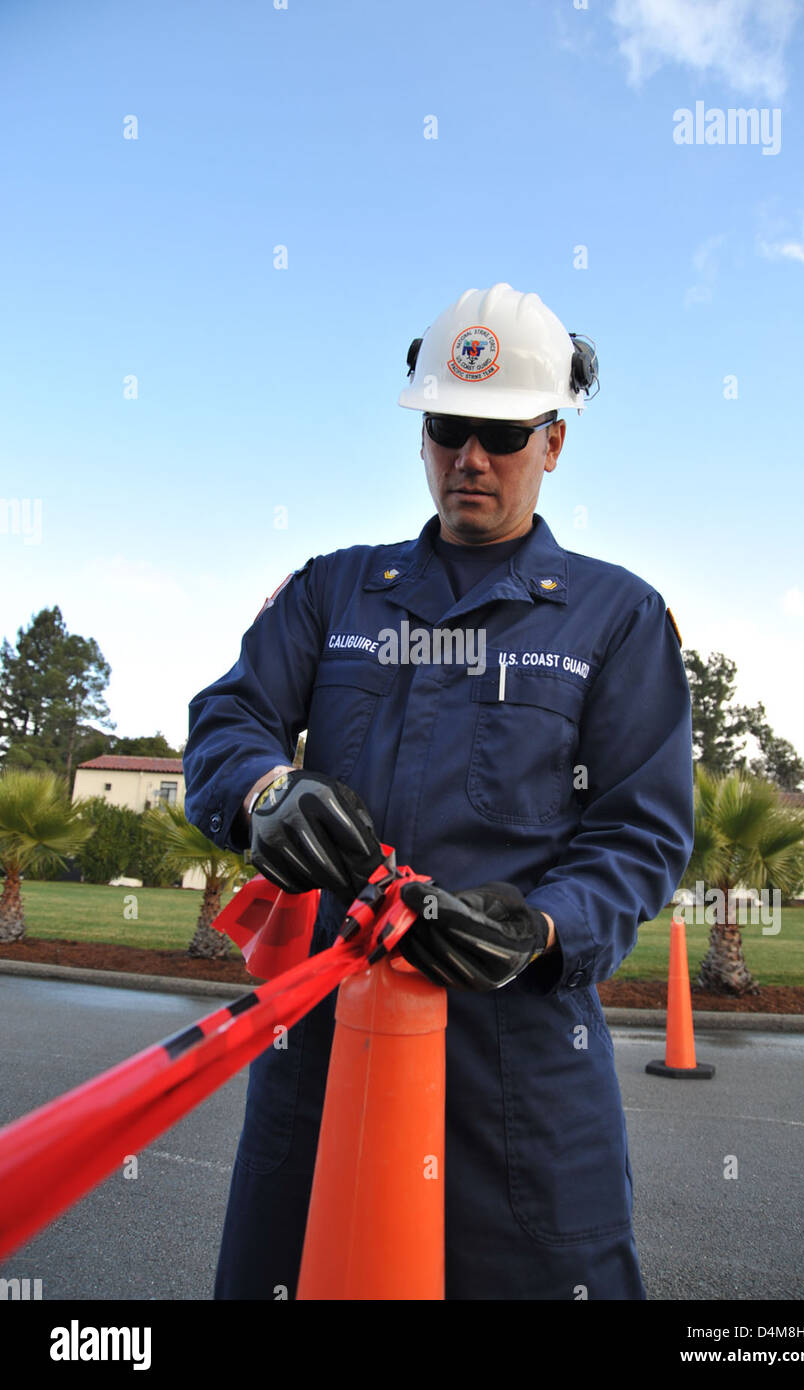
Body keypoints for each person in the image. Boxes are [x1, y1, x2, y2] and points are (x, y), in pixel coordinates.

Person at [182, 282, 694, 1300]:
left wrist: (541, 929)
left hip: (520, 1068)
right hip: (326, 1049)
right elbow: (227, 722)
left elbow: (639, 833)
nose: (471, 457)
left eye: (502, 432)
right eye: (449, 427)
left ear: (553, 442)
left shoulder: (617, 618)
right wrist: (264, 792)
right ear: (422, 435)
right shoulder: (334, 591)